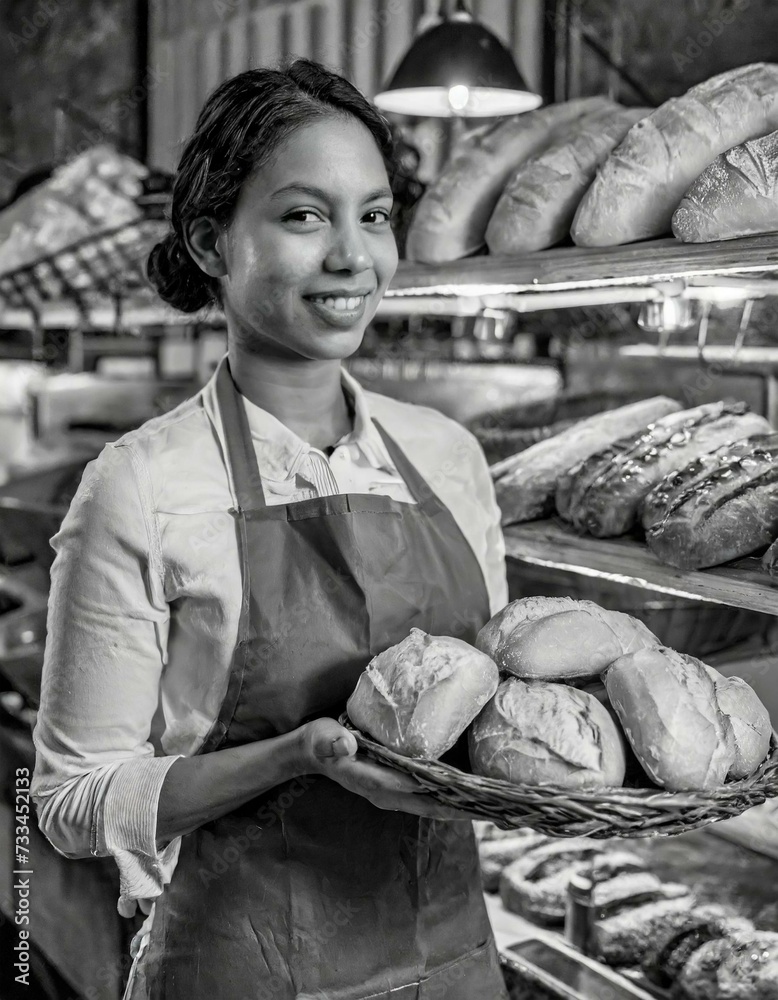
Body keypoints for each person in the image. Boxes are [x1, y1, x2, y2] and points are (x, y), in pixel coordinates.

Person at [32, 59, 509, 1000]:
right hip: (239, 969)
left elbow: (487, 703)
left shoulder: (449, 456)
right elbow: (68, 801)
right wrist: (300, 756)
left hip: (456, 964)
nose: (353, 256)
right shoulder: (142, 484)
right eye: (304, 216)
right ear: (212, 242)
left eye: (374, 215)